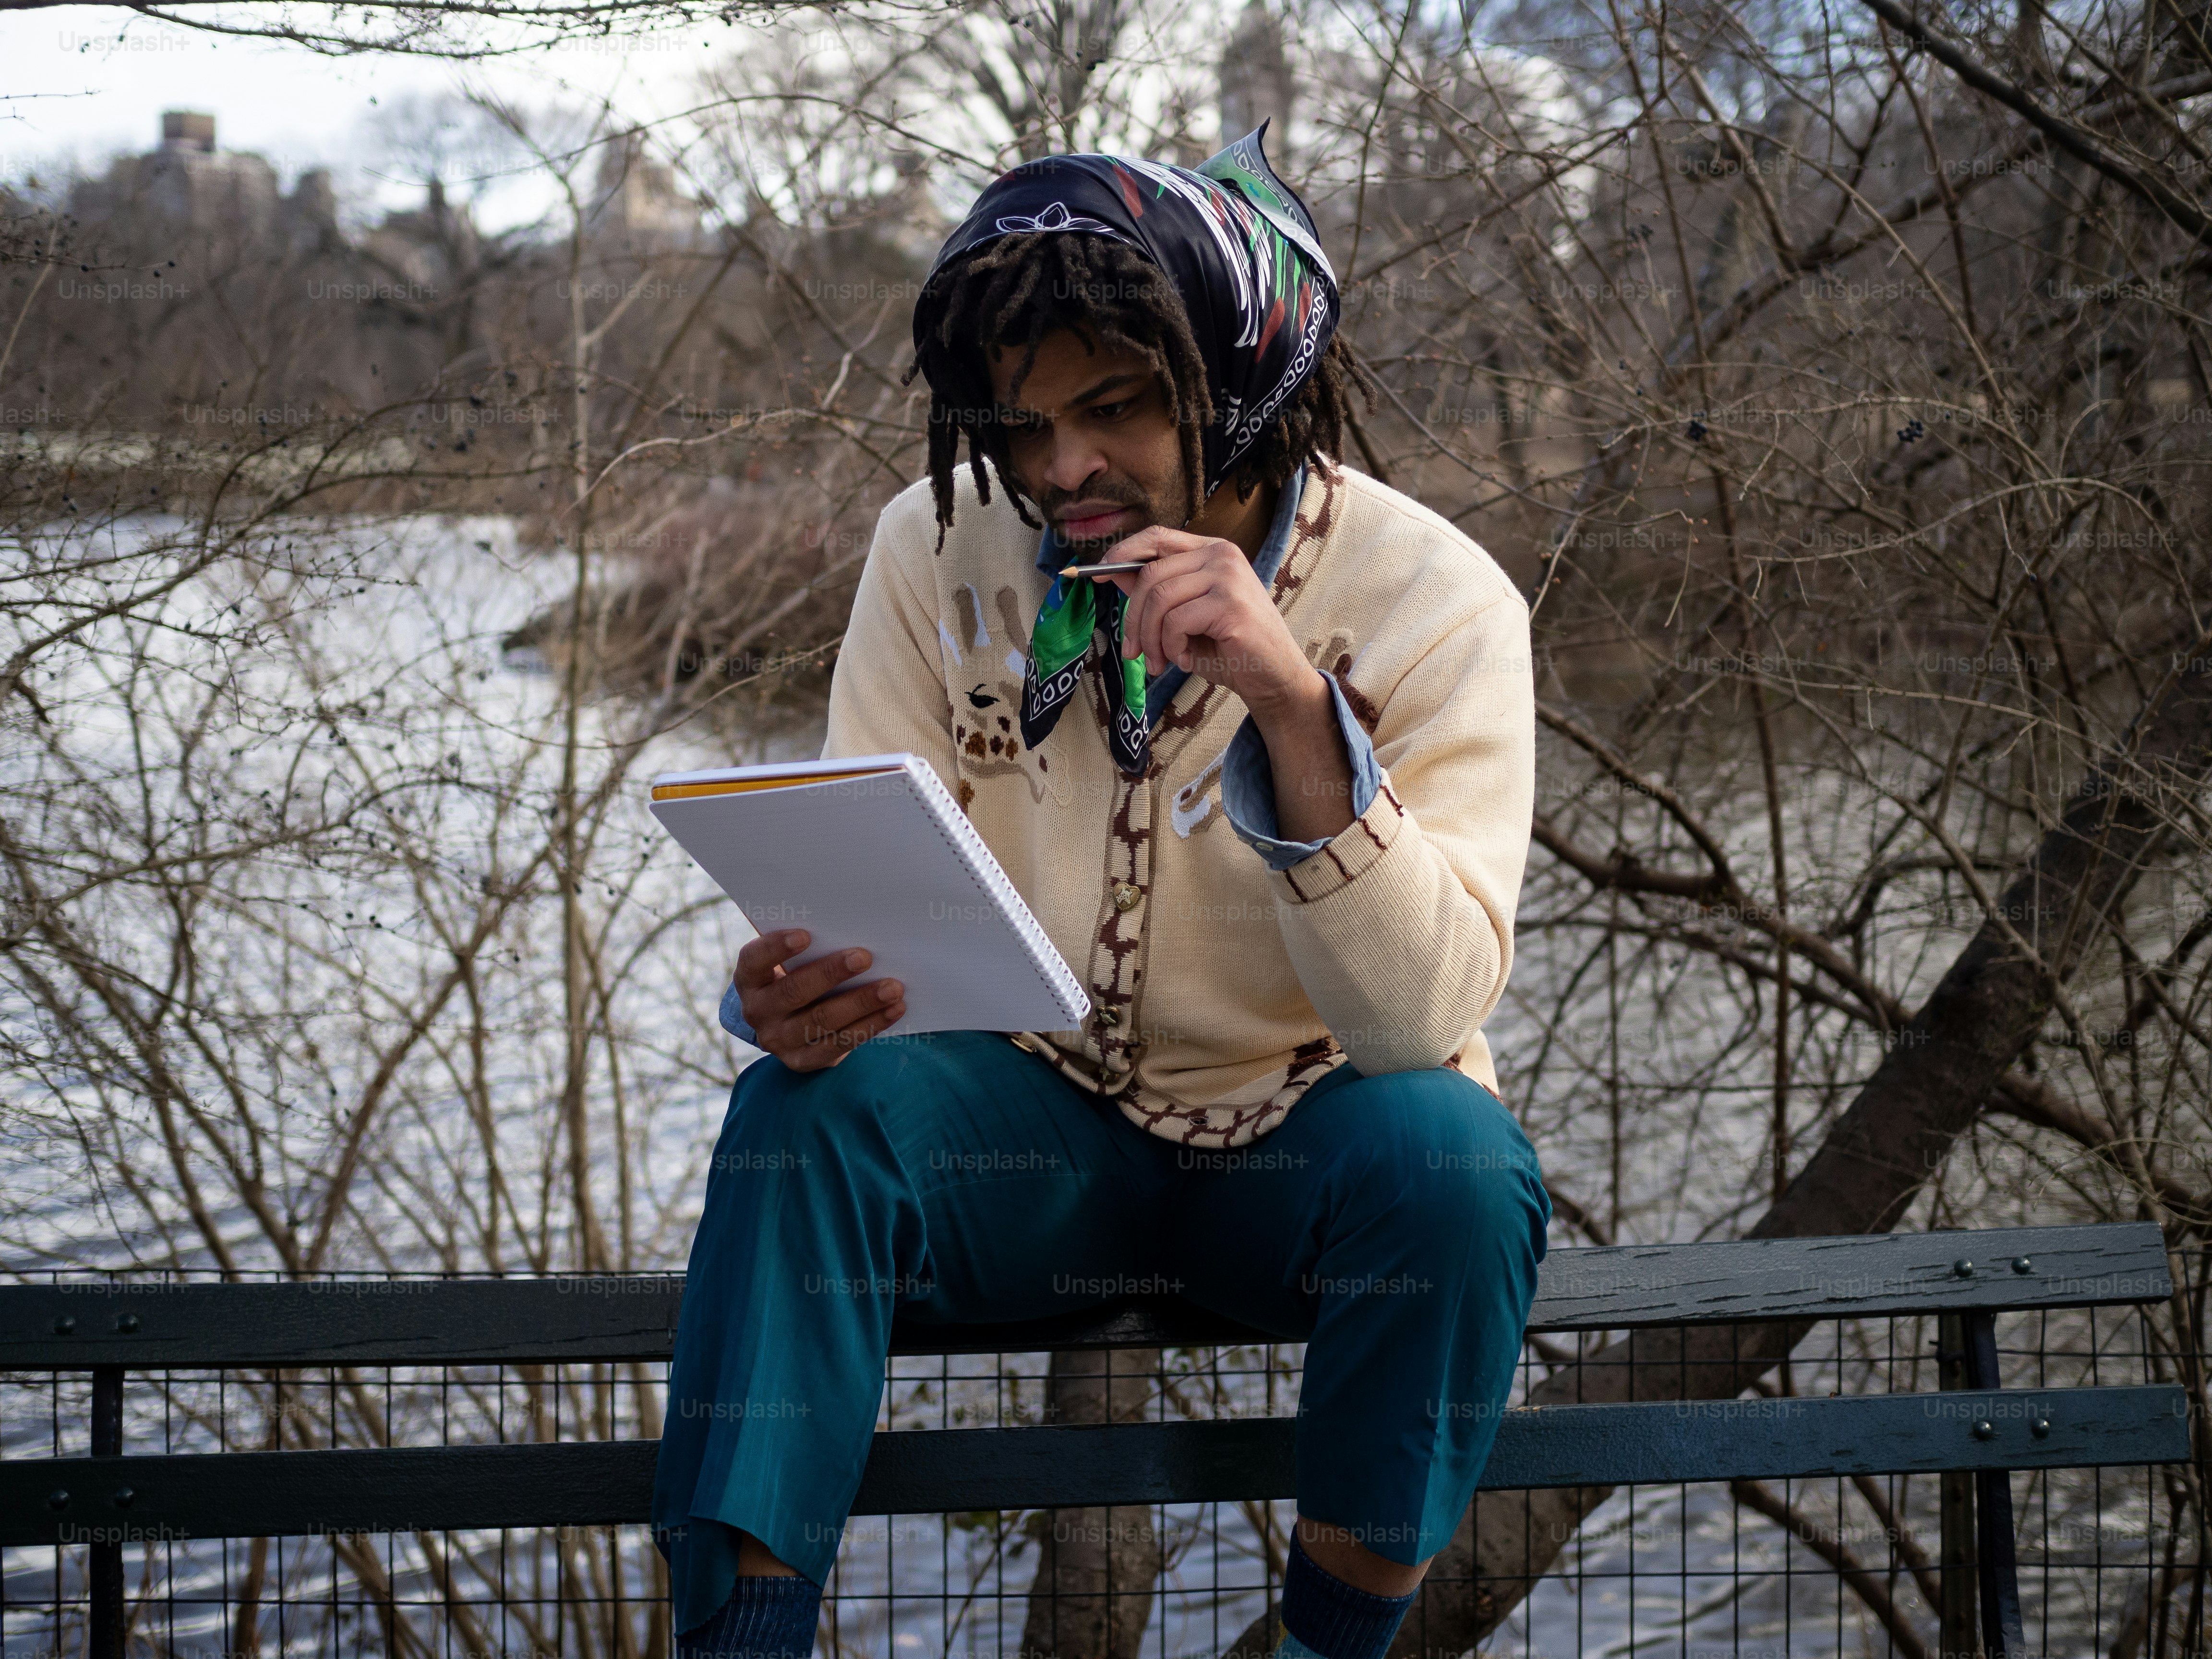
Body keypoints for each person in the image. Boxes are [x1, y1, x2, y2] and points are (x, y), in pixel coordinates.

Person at [652, 124, 1549, 1659]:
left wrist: (1289, 708)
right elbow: (868, 878)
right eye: (1026, 421)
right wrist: (793, 998)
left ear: (1238, 377)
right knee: (801, 1122)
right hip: (1029, 1151)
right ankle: (742, 1647)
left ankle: (1333, 1646)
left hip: (1304, 1154)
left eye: (1116, 408)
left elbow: (1419, 1019)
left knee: (1458, 1162)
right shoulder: (936, 546)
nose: (1060, 465)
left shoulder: (1437, 599)